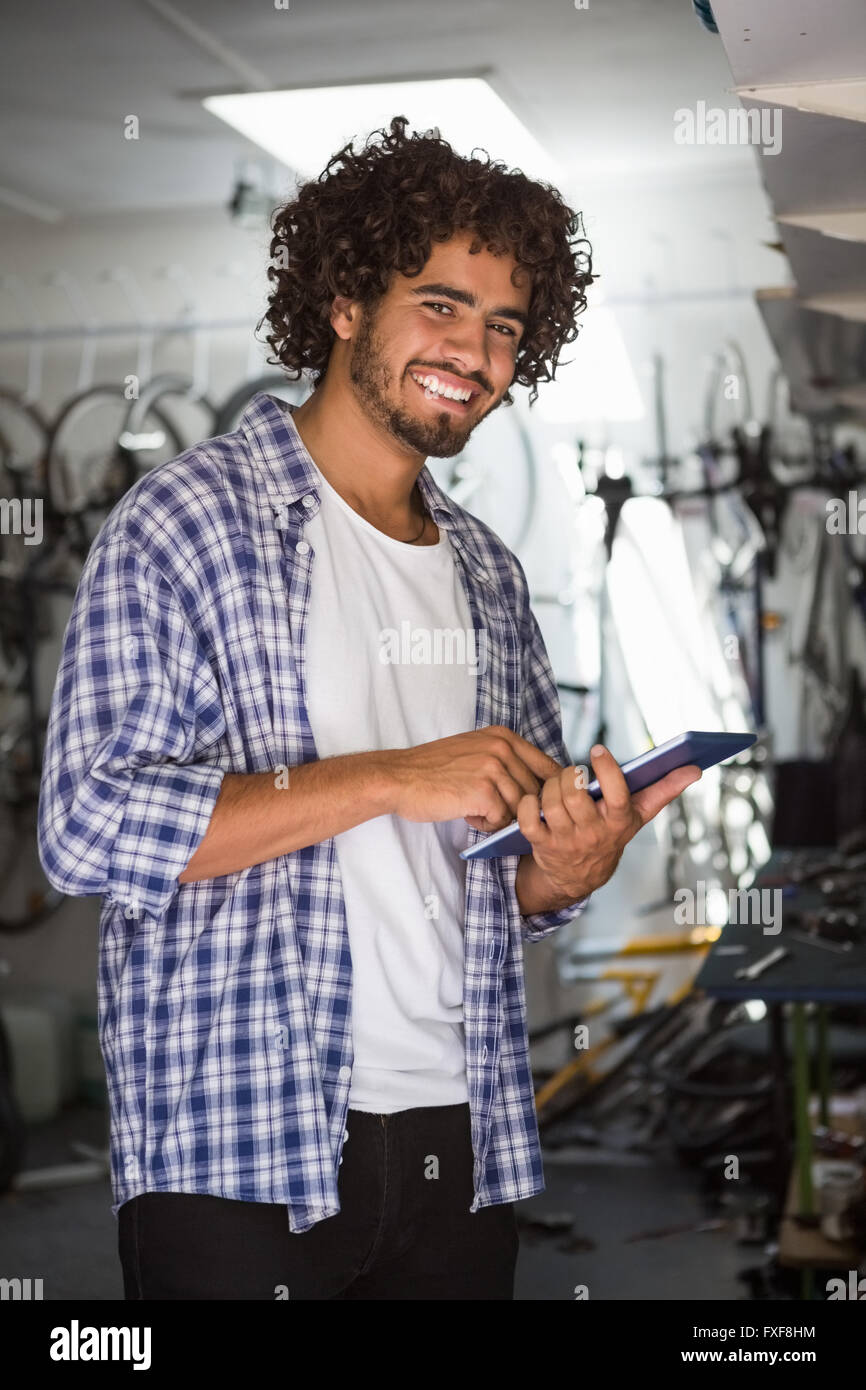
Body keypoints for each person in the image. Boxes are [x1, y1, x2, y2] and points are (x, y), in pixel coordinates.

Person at [37, 115, 700, 1300]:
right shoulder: (187, 522)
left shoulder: (490, 575)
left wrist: (573, 861)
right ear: (346, 302)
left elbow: (505, 883)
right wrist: (393, 775)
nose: (474, 350)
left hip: (461, 1137)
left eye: (504, 325)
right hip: (240, 1156)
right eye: (440, 305)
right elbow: (88, 826)